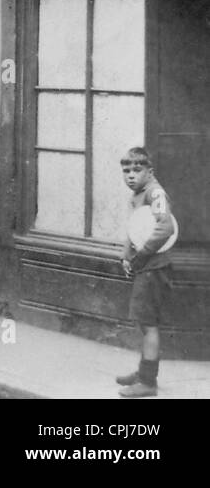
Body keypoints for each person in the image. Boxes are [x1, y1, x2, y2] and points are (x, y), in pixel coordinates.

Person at [117, 147, 178, 398]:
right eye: (126, 171)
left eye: (137, 170)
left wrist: (139, 258)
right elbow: (135, 229)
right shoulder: (139, 193)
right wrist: (126, 256)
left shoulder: (155, 193)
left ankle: (148, 382)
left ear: (149, 171)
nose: (131, 175)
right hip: (145, 267)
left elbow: (165, 228)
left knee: (148, 324)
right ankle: (144, 371)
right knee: (144, 322)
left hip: (153, 268)